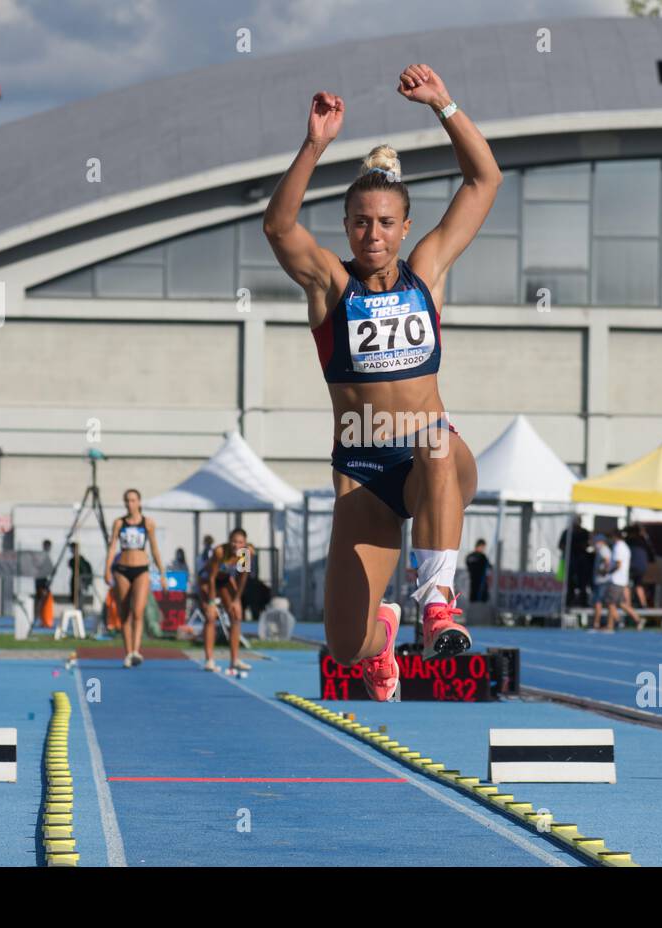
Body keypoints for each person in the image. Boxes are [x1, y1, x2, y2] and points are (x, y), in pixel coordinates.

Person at [262, 64, 501, 702]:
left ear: (404, 226)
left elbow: (485, 180)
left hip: (433, 463)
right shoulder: (329, 288)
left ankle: (437, 605)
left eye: (386, 222)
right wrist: (314, 145)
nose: (374, 234)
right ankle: (386, 633)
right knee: (344, 643)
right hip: (364, 472)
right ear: (347, 228)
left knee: (435, 439)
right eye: (361, 222)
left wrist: (444, 104)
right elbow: (279, 229)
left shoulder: (428, 270)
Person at [104, 489, 168, 668]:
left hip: (141, 568)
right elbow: (112, 547)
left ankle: (136, 650)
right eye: (127, 501)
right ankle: (129, 652)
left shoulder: (148, 523)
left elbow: (154, 549)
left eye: (133, 500)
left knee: (138, 611)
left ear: (139, 502)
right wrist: (107, 569)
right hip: (122, 569)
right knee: (125, 612)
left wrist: (162, 573)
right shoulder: (119, 523)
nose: (130, 504)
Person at [198, 529, 254, 677]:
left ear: (245, 543)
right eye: (234, 541)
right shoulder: (220, 552)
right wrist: (211, 602)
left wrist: (236, 600)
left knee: (236, 615)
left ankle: (234, 660)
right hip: (207, 580)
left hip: (224, 581)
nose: (237, 545)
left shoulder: (245, 554)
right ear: (229, 541)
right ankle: (209, 660)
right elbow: (211, 577)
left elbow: (242, 579)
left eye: (240, 542)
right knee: (211, 617)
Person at [607, 528, 643, 630]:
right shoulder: (625, 547)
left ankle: (614, 624)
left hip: (616, 579)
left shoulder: (618, 547)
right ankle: (637, 619)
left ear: (615, 536)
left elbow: (618, 564)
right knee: (621, 603)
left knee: (610, 603)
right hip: (623, 579)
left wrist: (608, 572)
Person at [626, 524, 656, 609]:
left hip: (633, 566)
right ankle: (643, 604)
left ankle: (628, 604)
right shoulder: (644, 541)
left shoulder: (630, 541)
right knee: (639, 585)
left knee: (626, 585)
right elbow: (651, 556)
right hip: (643, 567)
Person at [589, 534, 614, 631]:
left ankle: (596, 623)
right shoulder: (601, 550)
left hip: (602, 581)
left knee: (598, 602)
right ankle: (614, 622)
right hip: (601, 580)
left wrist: (604, 571)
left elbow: (607, 561)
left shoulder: (604, 550)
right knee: (605, 603)